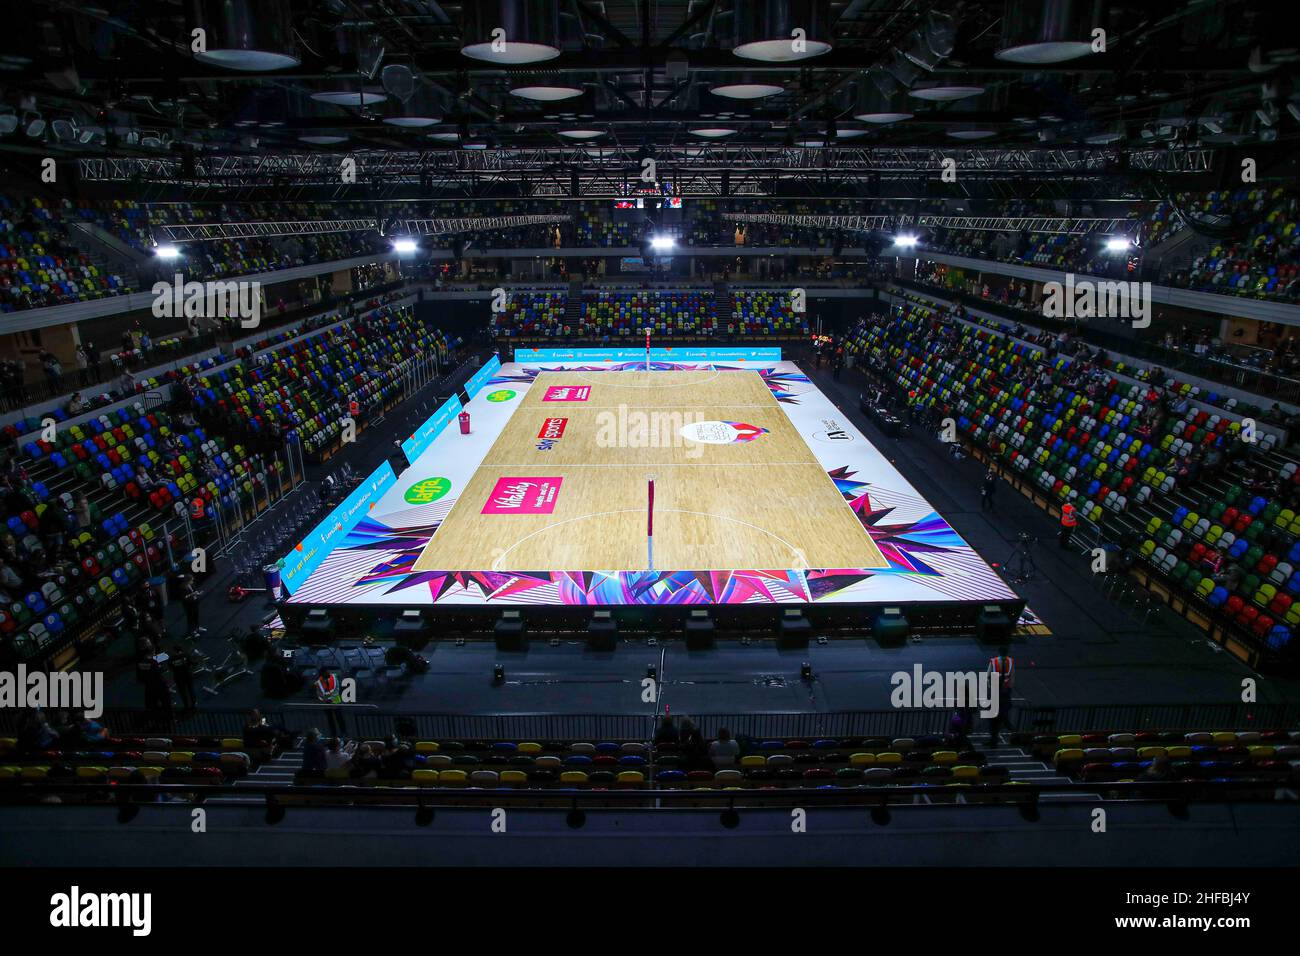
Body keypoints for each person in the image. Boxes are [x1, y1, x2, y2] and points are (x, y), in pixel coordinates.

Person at [985, 647, 1015, 745]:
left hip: (995, 690)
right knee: (1003, 709)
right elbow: (1012, 677)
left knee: (994, 715)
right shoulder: (1010, 661)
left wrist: (990, 687)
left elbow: (988, 676)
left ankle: (994, 737)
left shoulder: (993, 661)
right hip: (1005, 690)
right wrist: (1009, 689)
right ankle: (1006, 721)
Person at [314, 667, 346, 737]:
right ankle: (333, 733)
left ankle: (343, 732)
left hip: (336, 702)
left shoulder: (333, 678)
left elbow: (336, 689)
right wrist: (324, 700)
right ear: (323, 673)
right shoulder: (319, 681)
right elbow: (319, 693)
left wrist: (330, 698)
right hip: (326, 703)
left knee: (339, 718)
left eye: (328, 671)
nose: (328, 672)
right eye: (326, 671)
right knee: (330, 719)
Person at [170, 646, 196, 712]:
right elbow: (192, 663)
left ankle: (186, 706)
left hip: (178, 677)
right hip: (188, 675)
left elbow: (171, 668)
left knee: (182, 692)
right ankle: (193, 704)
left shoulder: (172, 658)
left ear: (174, 650)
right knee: (191, 689)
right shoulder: (186, 655)